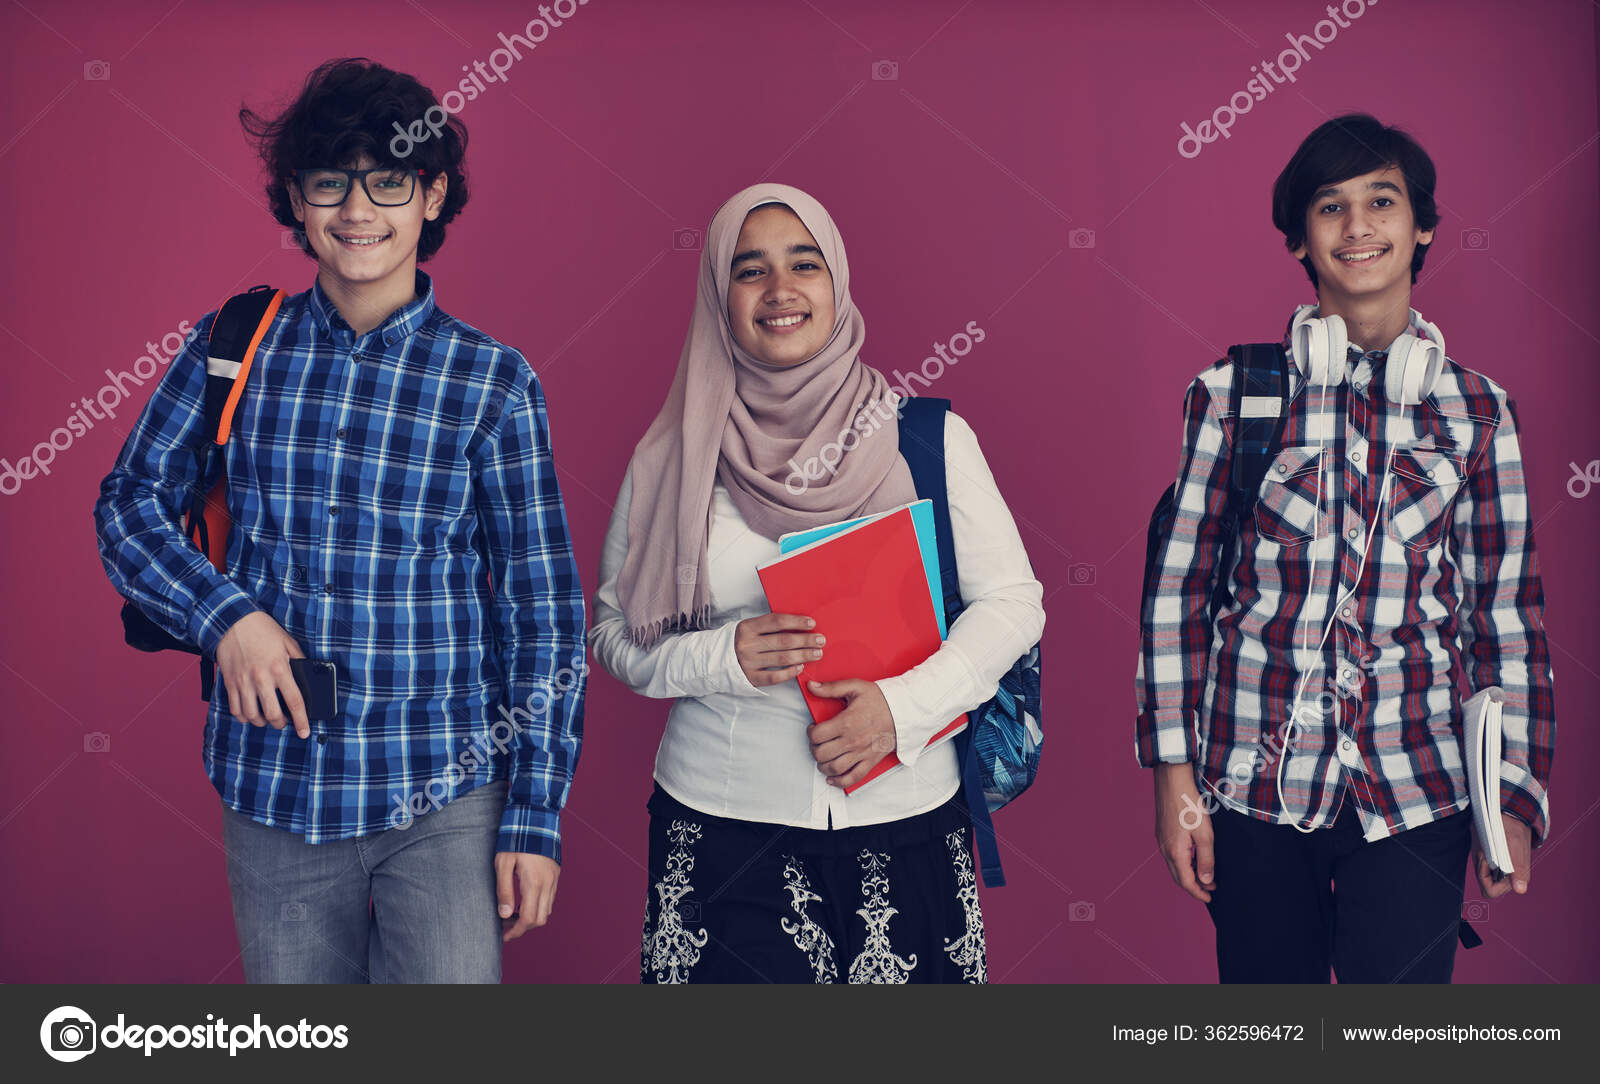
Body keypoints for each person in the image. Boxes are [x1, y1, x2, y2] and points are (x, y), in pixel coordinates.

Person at [93, 58, 587, 983]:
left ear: (432, 195)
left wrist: (535, 815)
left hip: (443, 787)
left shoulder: (494, 383)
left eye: (389, 180)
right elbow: (128, 504)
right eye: (330, 181)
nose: (358, 209)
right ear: (296, 198)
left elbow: (542, 610)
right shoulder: (232, 347)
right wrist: (225, 618)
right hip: (272, 784)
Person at [589, 183, 1044, 984]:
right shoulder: (671, 455)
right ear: (718, 297)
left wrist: (902, 710)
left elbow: (1014, 603)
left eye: (804, 264)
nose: (780, 290)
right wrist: (721, 657)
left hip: (905, 819)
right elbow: (613, 636)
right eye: (749, 270)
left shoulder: (925, 438)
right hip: (723, 828)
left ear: (836, 281)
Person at [1137, 114, 1556, 983]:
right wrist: (1173, 784)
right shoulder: (1231, 397)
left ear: (1422, 226)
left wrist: (1513, 795)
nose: (1358, 227)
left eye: (1381, 202)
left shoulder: (1479, 413)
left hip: (1418, 791)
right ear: (1299, 237)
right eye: (1331, 207)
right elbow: (1176, 599)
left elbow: (1504, 616)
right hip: (1252, 790)